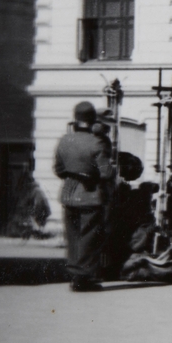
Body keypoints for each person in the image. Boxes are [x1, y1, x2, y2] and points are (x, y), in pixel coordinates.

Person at [53, 101, 117, 292]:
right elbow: (106, 173)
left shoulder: (65, 140)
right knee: (89, 237)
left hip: (69, 194)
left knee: (73, 236)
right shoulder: (96, 142)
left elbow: (58, 169)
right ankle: (85, 277)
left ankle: (74, 275)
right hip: (90, 195)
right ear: (92, 119)